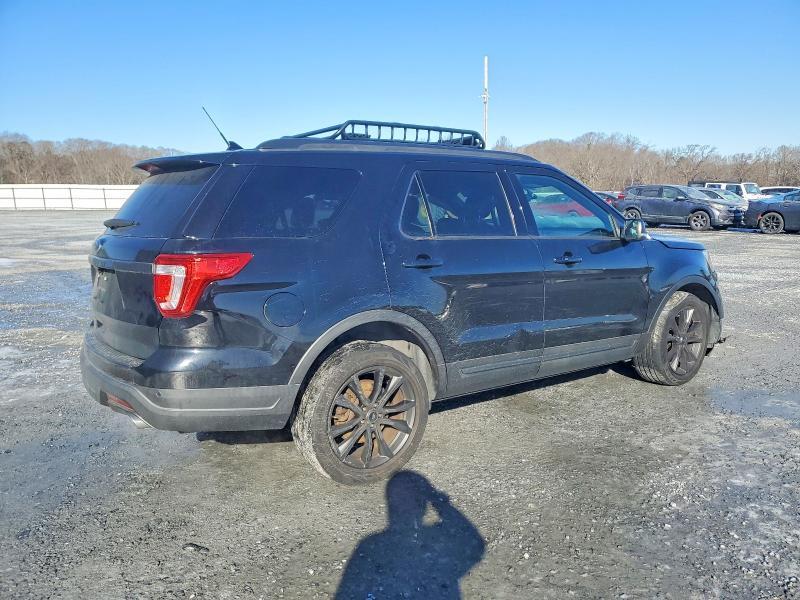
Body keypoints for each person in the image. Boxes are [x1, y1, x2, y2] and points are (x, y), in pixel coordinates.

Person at [335, 471, 485, 600]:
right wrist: (439, 501)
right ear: (423, 505)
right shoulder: (441, 540)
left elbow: (347, 594)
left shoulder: (371, 547)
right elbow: (474, 544)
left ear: (390, 504)